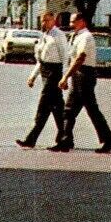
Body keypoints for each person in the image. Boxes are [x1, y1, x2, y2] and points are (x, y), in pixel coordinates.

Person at [52, 13, 111, 153]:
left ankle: (109, 140)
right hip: (78, 75)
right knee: (69, 110)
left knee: (90, 110)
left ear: (82, 21)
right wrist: (69, 75)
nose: (71, 24)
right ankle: (65, 140)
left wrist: (65, 77)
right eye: (70, 21)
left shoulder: (86, 37)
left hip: (84, 75)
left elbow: (80, 58)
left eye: (73, 21)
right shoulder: (75, 36)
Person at [16, 13, 67, 149]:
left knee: (43, 106)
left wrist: (64, 77)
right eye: (43, 21)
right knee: (56, 108)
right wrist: (33, 76)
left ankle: (31, 139)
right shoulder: (44, 36)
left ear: (54, 21)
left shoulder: (59, 35)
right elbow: (41, 60)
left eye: (47, 20)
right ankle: (65, 138)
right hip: (45, 71)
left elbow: (65, 57)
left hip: (54, 73)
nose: (44, 23)